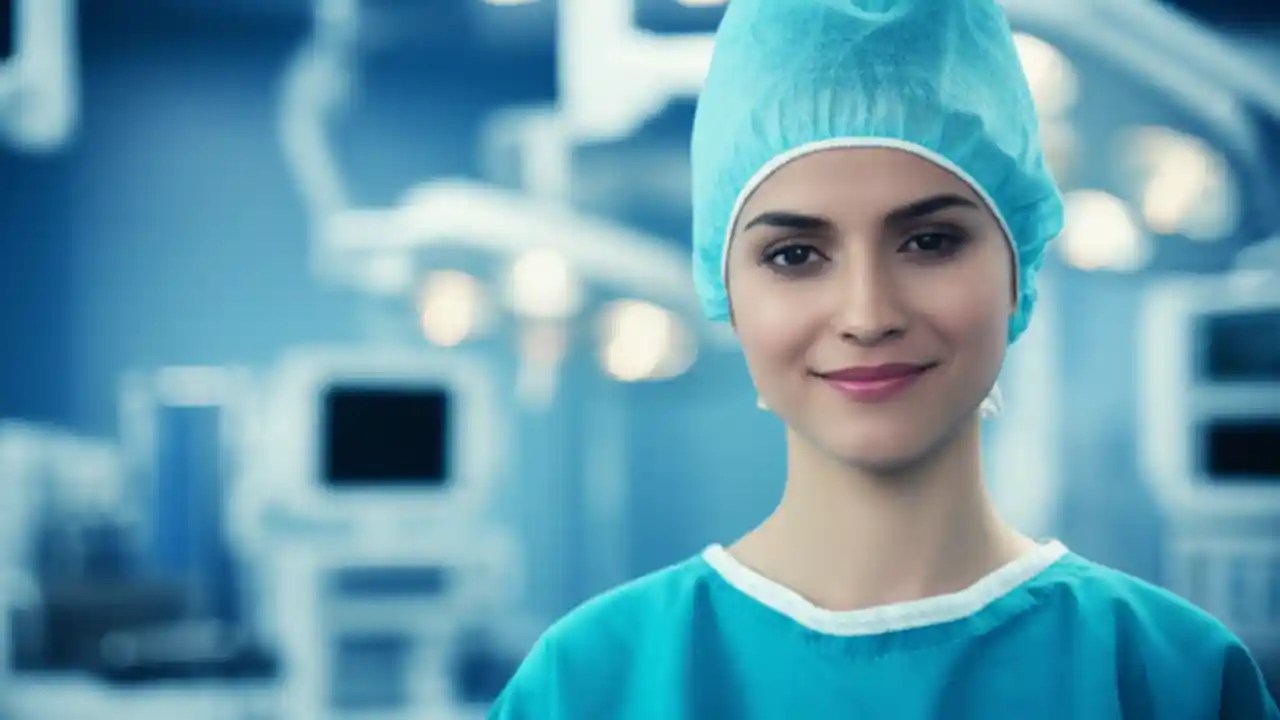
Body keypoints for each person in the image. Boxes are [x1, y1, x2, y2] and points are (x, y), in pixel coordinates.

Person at [488, 0, 1280, 717]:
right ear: (725, 286)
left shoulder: (1168, 677)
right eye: (796, 254)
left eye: (930, 241)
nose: (867, 315)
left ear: (1019, 266)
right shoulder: (590, 685)